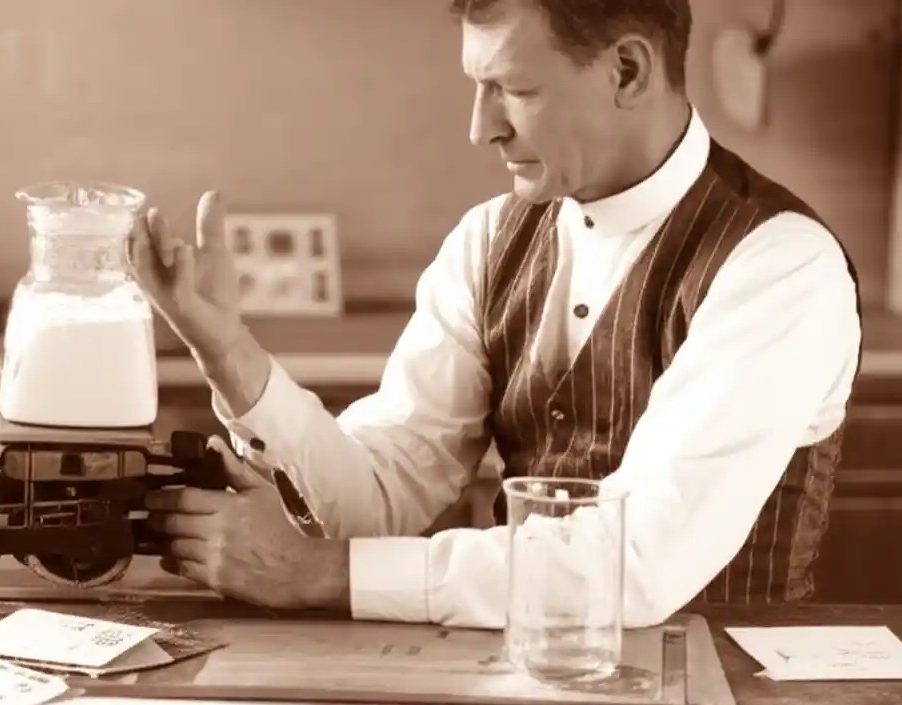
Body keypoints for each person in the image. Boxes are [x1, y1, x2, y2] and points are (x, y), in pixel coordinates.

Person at [134, 0, 863, 629]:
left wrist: (319, 572)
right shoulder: (490, 239)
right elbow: (381, 497)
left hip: (731, 694)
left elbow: (637, 562)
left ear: (629, 71)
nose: (481, 128)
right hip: (525, 684)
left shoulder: (780, 266)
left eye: (512, 88)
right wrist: (229, 353)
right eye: (477, 87)